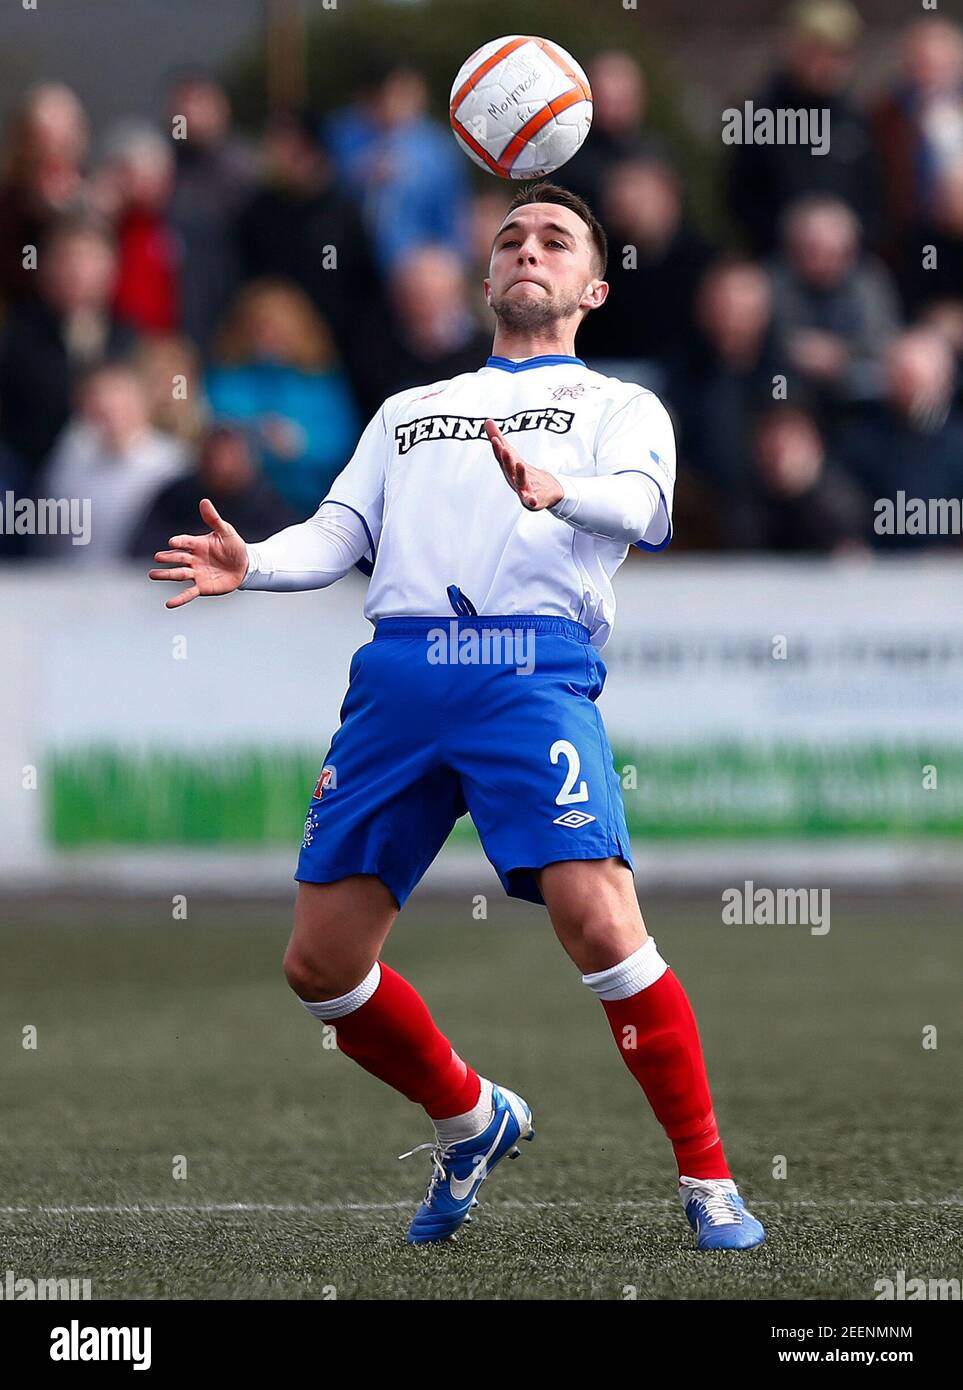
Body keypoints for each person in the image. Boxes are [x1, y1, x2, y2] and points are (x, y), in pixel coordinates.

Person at [149, 183, 766, 1252]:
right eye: (511, 238)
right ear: (487, 279)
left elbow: (651, 512)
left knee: (600, 920)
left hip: (526, 673)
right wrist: (253, 562)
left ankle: (709, 1180)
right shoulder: (409, 410)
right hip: (396, 680)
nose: (529, 249)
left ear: (594, 286)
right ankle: (472, 1117)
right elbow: (339, 535)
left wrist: (557, 487)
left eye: (556, 239)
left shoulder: (621, 406)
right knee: (321, 967)